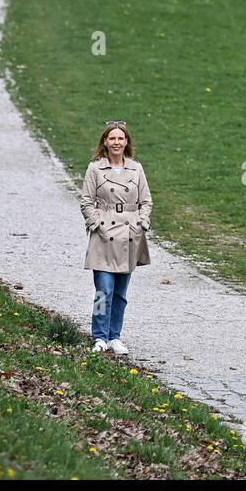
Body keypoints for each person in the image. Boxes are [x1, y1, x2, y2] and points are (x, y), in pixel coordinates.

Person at [79, 120, 152, 354]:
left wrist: (141, 223)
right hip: (103, 237)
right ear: (105, 142)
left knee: (120, 293)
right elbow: (86, 201)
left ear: (127, 142)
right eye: (112, 138)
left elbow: (146, 201)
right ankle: (99, 336)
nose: (117, 142)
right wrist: (96, 224)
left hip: (129, 236)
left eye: (121, 138)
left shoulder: (136, 169)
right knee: (103, 290)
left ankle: (114, 337)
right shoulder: (95, 169)